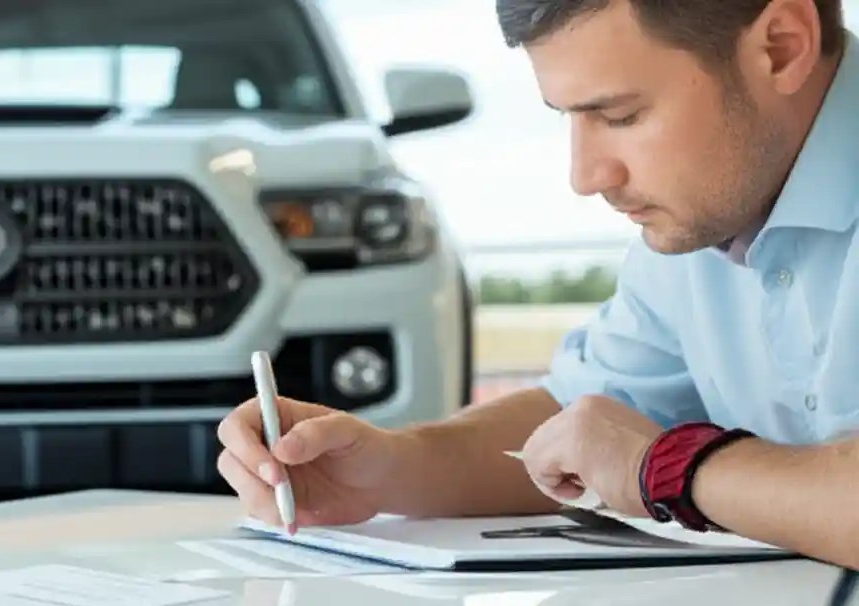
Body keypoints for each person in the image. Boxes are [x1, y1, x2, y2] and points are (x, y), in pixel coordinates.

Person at [216, 0, 859, 571]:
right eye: (568, 118)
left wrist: (669, 468)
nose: (586, 176)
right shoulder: (699, 224)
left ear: (782, 47)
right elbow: (579, 424)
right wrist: (389, 468)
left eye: (621, 115)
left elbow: (630, 454)